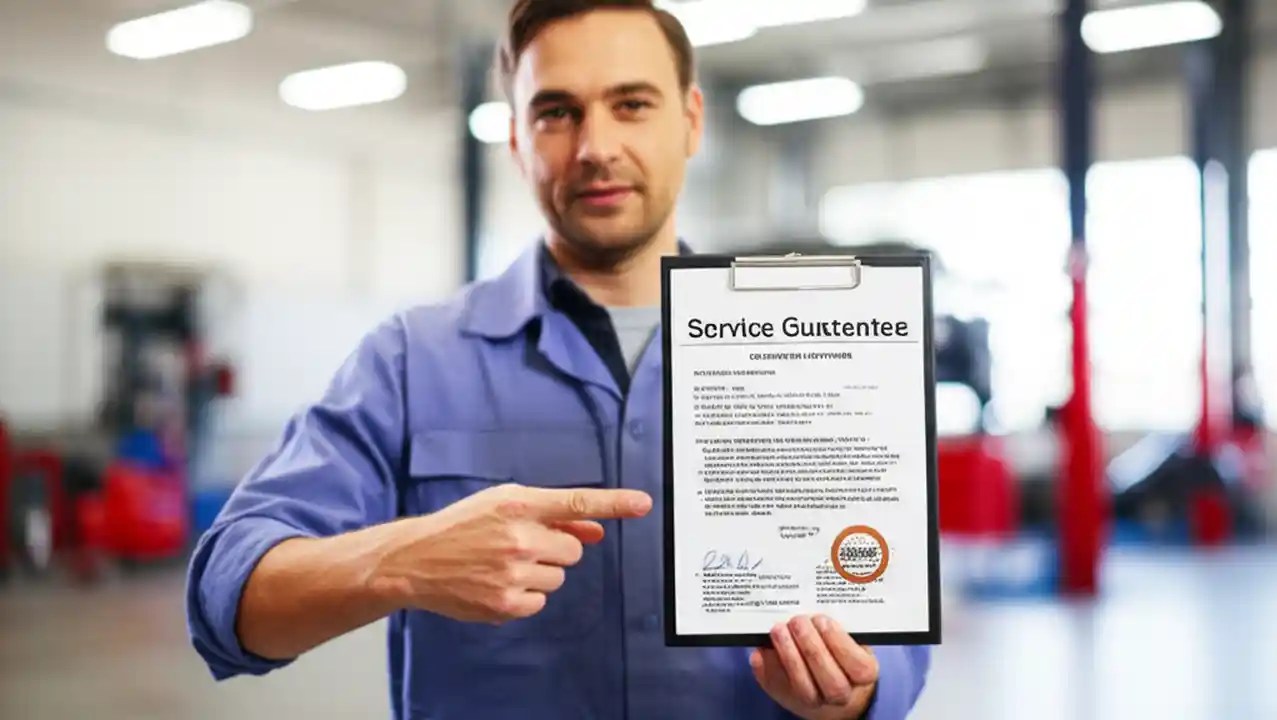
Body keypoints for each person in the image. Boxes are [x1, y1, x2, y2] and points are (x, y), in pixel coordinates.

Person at [185, 1, 931, 718]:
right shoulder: (413, 360)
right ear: (516, 140)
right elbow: (228, 596)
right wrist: (406, 556)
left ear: (691, 120)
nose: (596, 146)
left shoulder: (821, 354)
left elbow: (890, 625)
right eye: (556, 112)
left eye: (632, 104)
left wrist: (853, 692)